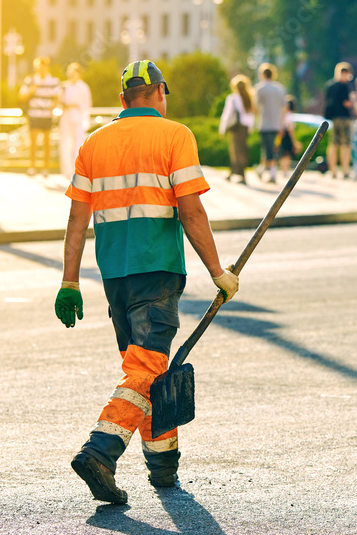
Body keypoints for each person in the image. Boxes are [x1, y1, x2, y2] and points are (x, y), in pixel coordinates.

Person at [56, 59, 239, 504]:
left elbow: (77, 220)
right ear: (160, 93)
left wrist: (70, 282)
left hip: (114, 276)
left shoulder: (93, 143)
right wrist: (219, 272)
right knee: (147, 369)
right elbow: (191, 211)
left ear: (122, 100)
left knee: (146, 371)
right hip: (157, 271)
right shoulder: (176, 135)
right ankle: (101, 450)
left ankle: (163, 468)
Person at [19, 56, 60, 176]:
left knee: (47, 142)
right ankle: (32, 167)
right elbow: (22, 96)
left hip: (47, 115)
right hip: (34, 114)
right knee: (33, 142)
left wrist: (53, 107)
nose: (41, 70)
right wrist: (31, 91)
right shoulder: (30, 80)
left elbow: (58, 96)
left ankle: (45, 169)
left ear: (47, 67)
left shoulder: (53, 81)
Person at [218, 74, 255, 184]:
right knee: (242, 150)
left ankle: (237, 173)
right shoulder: (248, 97)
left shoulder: (233, 98)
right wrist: (250, 128)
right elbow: (251, 115)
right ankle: (237, 172)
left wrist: (222, 128)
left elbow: (227, 114)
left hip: (236, 127)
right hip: (245, 128)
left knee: (235, 150)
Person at [58, 62, 92, 180]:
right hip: (66, 115)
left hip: (78, 116)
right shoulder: (63, 86)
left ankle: (76, 170)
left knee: (78, 143)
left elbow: (87, 104)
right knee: (65, 143)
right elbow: (58, 102)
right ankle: (66, 171)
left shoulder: (83, 87)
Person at [253, 63, 286, 183]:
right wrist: (282, 123)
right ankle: (263, 170)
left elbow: (255, 107)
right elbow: (284, 108)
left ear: (262, 74)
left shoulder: (259, 88)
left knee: (267, 149)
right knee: (272, 148)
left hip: (264, 123)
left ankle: (271, 173)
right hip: (276, 124)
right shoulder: (280, 88)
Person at [323, 62, 355, 179]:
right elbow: (347, 103)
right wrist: (353, 100)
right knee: (346, 144)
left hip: (333, 119)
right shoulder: (344, 86)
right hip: (344, 118)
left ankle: (333, 171)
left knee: (333, 144)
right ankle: (345, 170)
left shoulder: (330, 85)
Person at [277, 95, 302, 177]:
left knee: (282, 153)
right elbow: (291, 129)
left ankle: (283, 169)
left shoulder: (281, 115)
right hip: (287, 135)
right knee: (287, 154)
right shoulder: (290, 115)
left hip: (281, 134)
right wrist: (294, 141)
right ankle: (285, 170)